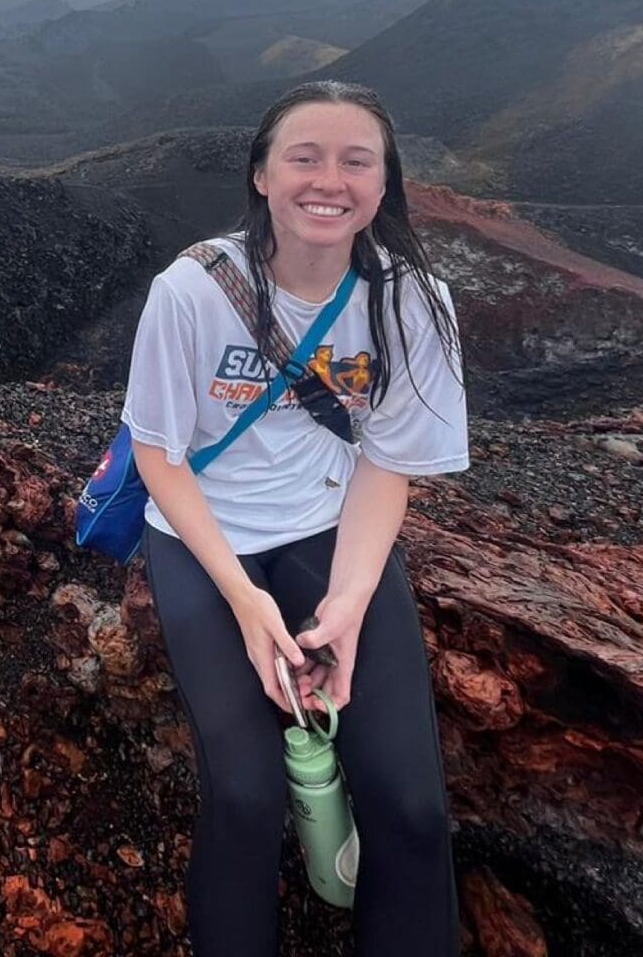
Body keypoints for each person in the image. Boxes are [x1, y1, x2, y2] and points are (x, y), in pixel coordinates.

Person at [124, 80, 467, 957]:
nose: (330, 179)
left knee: (414, 810)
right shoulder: (193, 290)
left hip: (326, 530)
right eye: (304, 157)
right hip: (205, 540)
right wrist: (245, 602)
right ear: (262, 177)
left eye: (357, 161)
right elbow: (159, 455)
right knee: (244, 796)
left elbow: (388, 460)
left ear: (383, 188)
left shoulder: (412, 301)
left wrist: (348, 605)